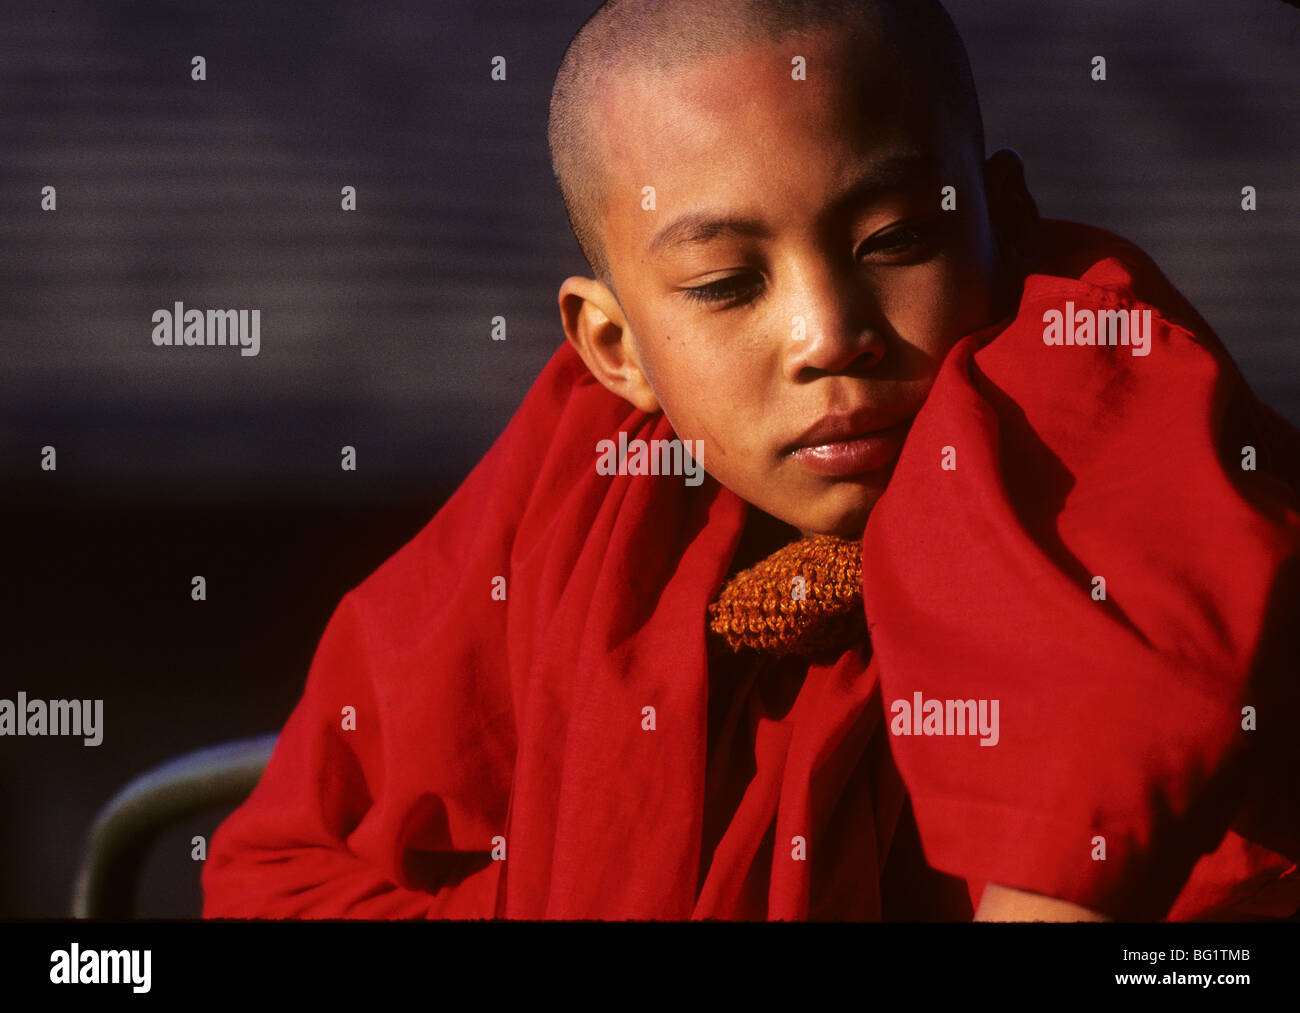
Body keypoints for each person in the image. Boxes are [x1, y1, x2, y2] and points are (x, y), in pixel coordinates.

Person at [202, 0, 1300, 921]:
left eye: (897, 241)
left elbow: (1077, 836)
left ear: (1002, 221)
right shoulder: (582, 479)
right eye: (727, 285)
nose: (829, 334)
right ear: (614, 348)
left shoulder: (1097, 393)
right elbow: (281, 866)